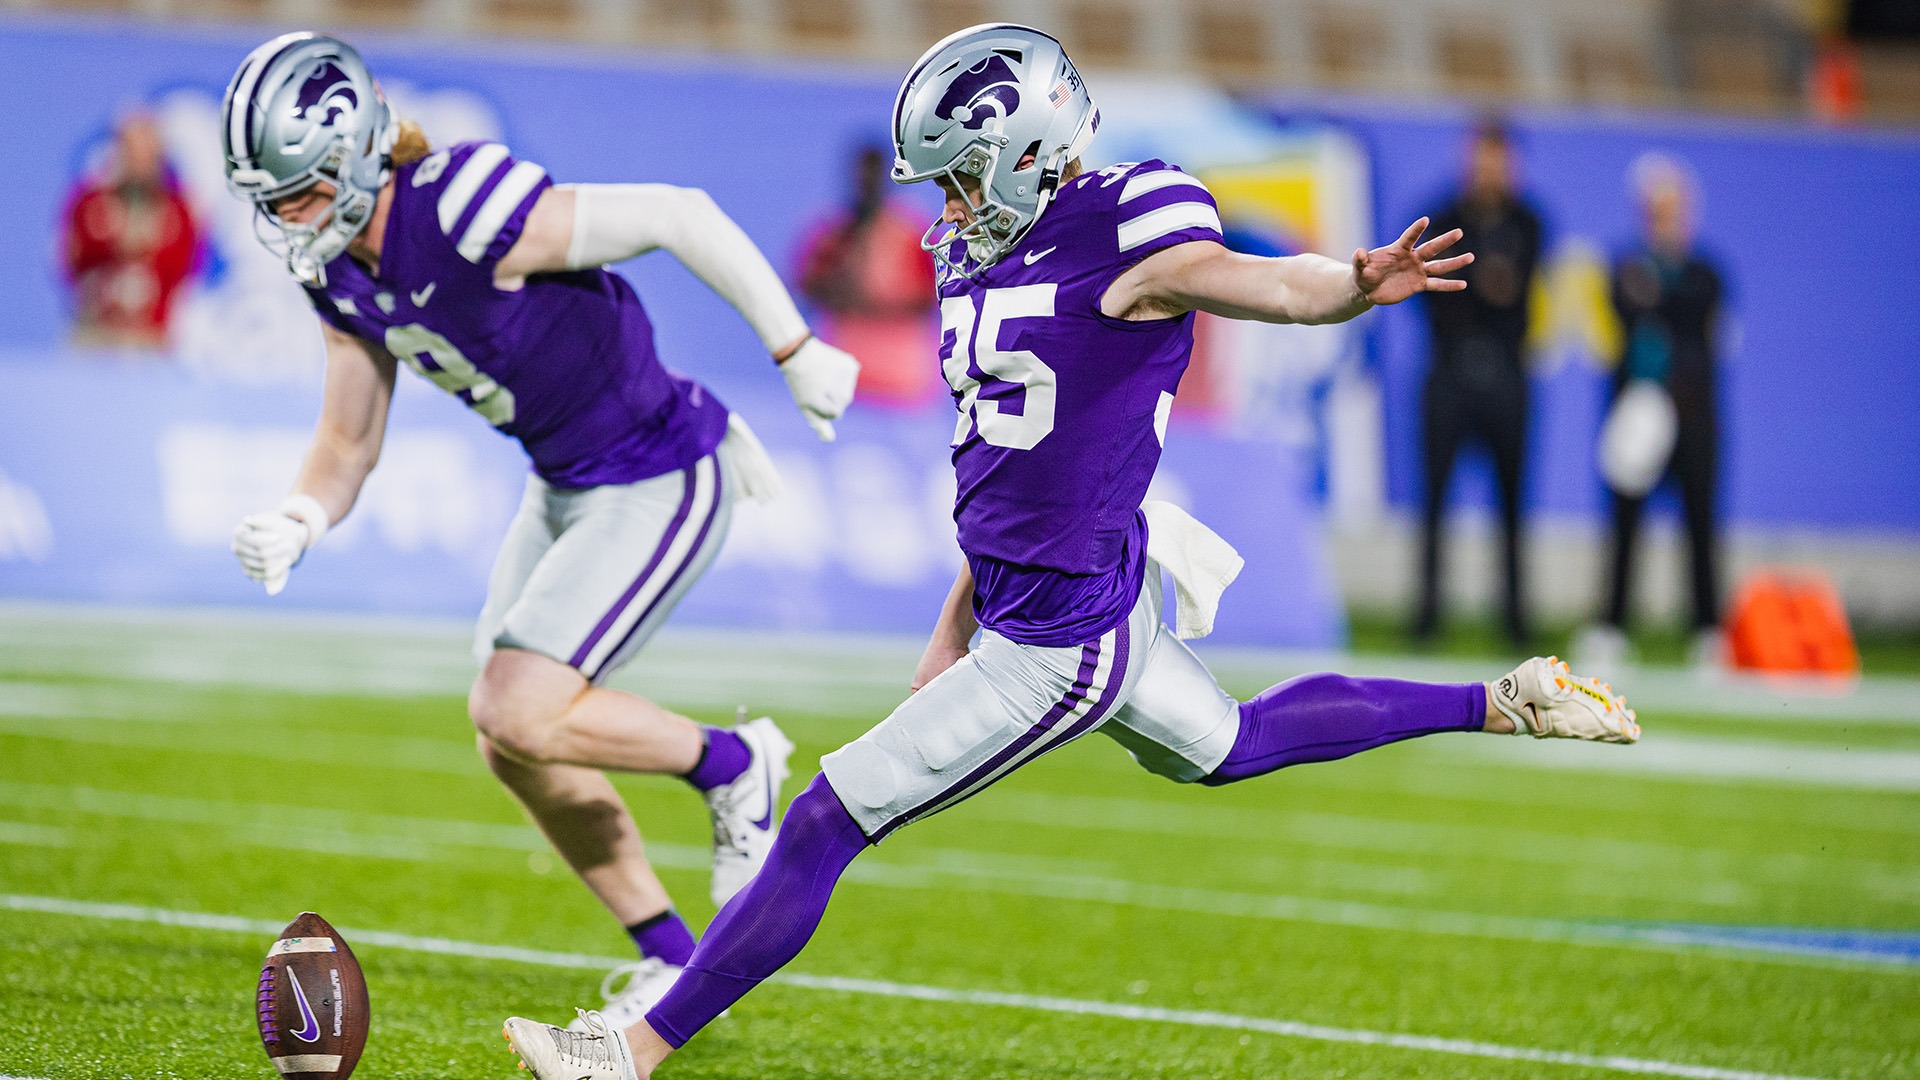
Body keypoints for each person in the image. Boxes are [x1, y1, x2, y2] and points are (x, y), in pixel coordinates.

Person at [500, 25, 1639, 1079]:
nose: (944, 206)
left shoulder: (1128, 230)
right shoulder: (973, 257)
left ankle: (632, 1052)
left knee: (824, 819)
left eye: (956, 177)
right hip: (1061, 587)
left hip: (1062, 638)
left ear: (1021, 152)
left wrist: (1347, 285)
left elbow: (1258, 284)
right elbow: (996, 474)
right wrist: (952, 623)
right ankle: (1503, 702)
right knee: (1233, 744)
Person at [217, 32, 859, 1025]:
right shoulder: (333, 270)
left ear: (353, 158)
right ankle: (670, 954)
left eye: (296, 189)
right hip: (562, 482)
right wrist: (301, 516)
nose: (282, 216)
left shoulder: (459, 203)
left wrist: (795, 345)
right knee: (509, 738)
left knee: (517, 705)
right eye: (268, 194)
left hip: (662, 467)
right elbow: (347, 439)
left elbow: (678, 216)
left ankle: (736, 763)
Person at [1579, 154, 1726, 669]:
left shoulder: (1705, 272)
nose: (1665, 221)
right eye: (1656, 211)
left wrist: (1658, 297)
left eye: (1673, 211)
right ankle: (1611, 623)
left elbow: (1691, 312)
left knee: (1700, 522)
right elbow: (1626, 306)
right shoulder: (1626, 264)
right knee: (1624, 522)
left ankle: (1708, 628)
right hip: (1637, 409)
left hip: (1691, 412)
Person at [1414, 120, 1544, 647]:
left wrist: (1475, 291)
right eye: (1480, 158)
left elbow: (1518, 291)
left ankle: (1514, 615)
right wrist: (1484, 288)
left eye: (1497, 160)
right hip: (1449, 373)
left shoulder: (1530, 223)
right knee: (1435, 501)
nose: (1488, 170)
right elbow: (1429, 293)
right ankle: (1427, 614)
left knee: (1512, 501)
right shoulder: (1441, 219)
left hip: (1508, 377)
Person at [795, 144, 940, 406]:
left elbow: (937, 294)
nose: (867, 183)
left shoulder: (912, 233)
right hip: (845, 370)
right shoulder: (833, 234)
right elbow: (807, 285)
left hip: (901, 376)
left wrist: (882, 300)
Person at [61, 110, 200, 350]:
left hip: (151, 339)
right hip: (95, 334)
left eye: (146, 150)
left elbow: (184, 268)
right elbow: (72, 260)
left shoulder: (177, 211)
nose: (139, 160)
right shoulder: (90, 204)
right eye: (131, 149)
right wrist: (112, 248)